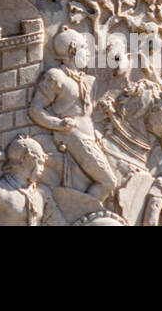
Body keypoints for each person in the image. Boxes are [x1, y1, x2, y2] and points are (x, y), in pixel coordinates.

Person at [29, 27, 117, 202]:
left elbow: (87, 114)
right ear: (72, 50)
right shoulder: (56, 77)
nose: (88, 53)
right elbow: (35, 109)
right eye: (84, 48)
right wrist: (58, 124)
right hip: (71, 137)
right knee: (108, 182)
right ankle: (82, 213)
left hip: (91, 136)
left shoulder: (88, 81)